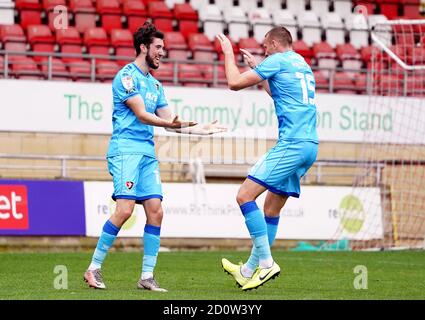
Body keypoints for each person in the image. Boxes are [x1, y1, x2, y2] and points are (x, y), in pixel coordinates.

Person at [84, 22, 226, 292]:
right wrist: (171, 125)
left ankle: (146, 277)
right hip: (126, 150)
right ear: (143, 47)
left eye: (163, 48)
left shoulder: (156, 85)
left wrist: (202, 129)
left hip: (147, 153)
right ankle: (93, 268)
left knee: (156, 211)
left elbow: (169, 119)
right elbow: (142, 115)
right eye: (158, 47)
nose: (162, 52)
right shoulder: (127, 77)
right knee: (124, 210)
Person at [216, 27, 318, 291]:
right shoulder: (301, 63)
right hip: (309, 145)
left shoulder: (277, 60)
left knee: (244, 196)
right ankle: (248, 270)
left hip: (292, 143)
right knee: (271, 209)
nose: (263, 50)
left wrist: (228, 53)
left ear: (274, 43)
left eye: (265, 46)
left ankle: (266, 262)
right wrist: (261, 73)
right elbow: (280, 94)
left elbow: (234, 83)